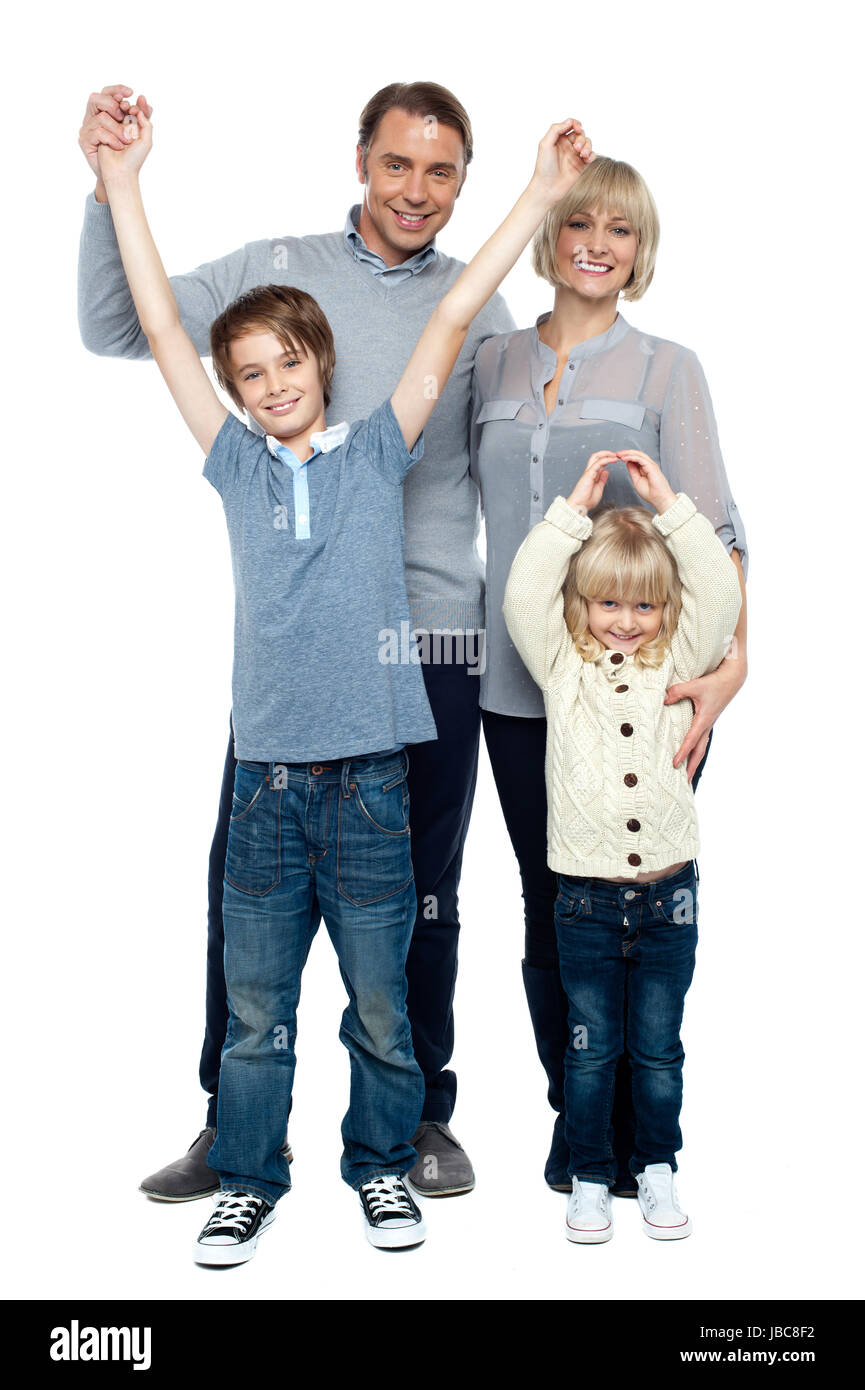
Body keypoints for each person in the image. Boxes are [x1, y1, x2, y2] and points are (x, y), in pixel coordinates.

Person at [95, 99, 596, 1262]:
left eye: (290, 364)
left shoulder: (377, 450)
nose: (272, 385)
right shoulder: (233, 468)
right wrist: (122, 183)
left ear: (324, 364)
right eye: (250, 372)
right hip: (270, 772)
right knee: (255, 983)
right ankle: (244, 1157)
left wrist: (533, 191)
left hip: (380, 749)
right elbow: (164, 333)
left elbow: (458, 310)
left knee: (388, 976)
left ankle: (391, 1149)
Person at [469, 155, 748, 1193]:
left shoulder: (670, 367)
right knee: (551, 911)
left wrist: (735, 664)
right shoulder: (490, 361)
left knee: (640, 906)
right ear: (550, 233)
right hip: (514, 690)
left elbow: (715, 532)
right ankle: (579, 1118)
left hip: (648, 691)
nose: (597, 241)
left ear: (640, 249)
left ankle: (645, 1130)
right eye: (579, 219)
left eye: (620, 228)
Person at [503, 448, 742, 1240]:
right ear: (583, 603)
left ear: (664, 611)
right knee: (591, 1047)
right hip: (584, 901)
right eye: (607, 602)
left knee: (657, 1049)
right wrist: (571, 511)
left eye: (642, 606)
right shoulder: (561, 667)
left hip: (670, 897)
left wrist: (670, 504)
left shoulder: (681, 661)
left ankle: (657, 1166)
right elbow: (524, 592)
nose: (624, 620)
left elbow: (717, 587)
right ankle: (590, 1174)